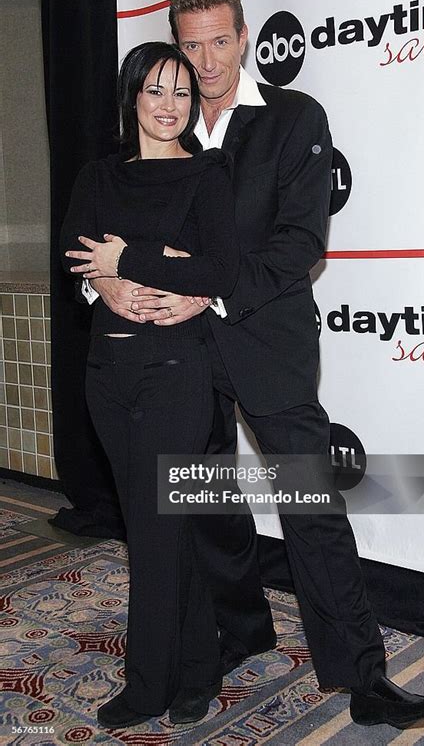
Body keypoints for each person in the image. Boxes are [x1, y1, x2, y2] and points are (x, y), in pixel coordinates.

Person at [84, 0, 424, 731]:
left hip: (264, 343)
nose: (207, 61)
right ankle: (235, 634)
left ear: (245, 37)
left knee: (310, 505)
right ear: (176, 45)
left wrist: (205, 293)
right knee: (202, 503)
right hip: (176, 356)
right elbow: (111, 228)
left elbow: (299, 244)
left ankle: (363, 674)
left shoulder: (293, 118)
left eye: (220, 41)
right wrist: (108, 283)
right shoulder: (165, 126)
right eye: (191, 45)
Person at [60, 41, 240, 728]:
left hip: (175, 375)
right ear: (132, 95)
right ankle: (197, 667)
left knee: (156, 534)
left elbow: (218, 271)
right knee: (157, 526)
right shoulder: (98, 176)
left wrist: (125, 255)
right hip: (107, 376)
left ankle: (148, 684)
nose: (170, 105)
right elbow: (74, 253)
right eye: (156, 90)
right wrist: (108, 278)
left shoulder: (208, 174)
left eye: (183, 92)